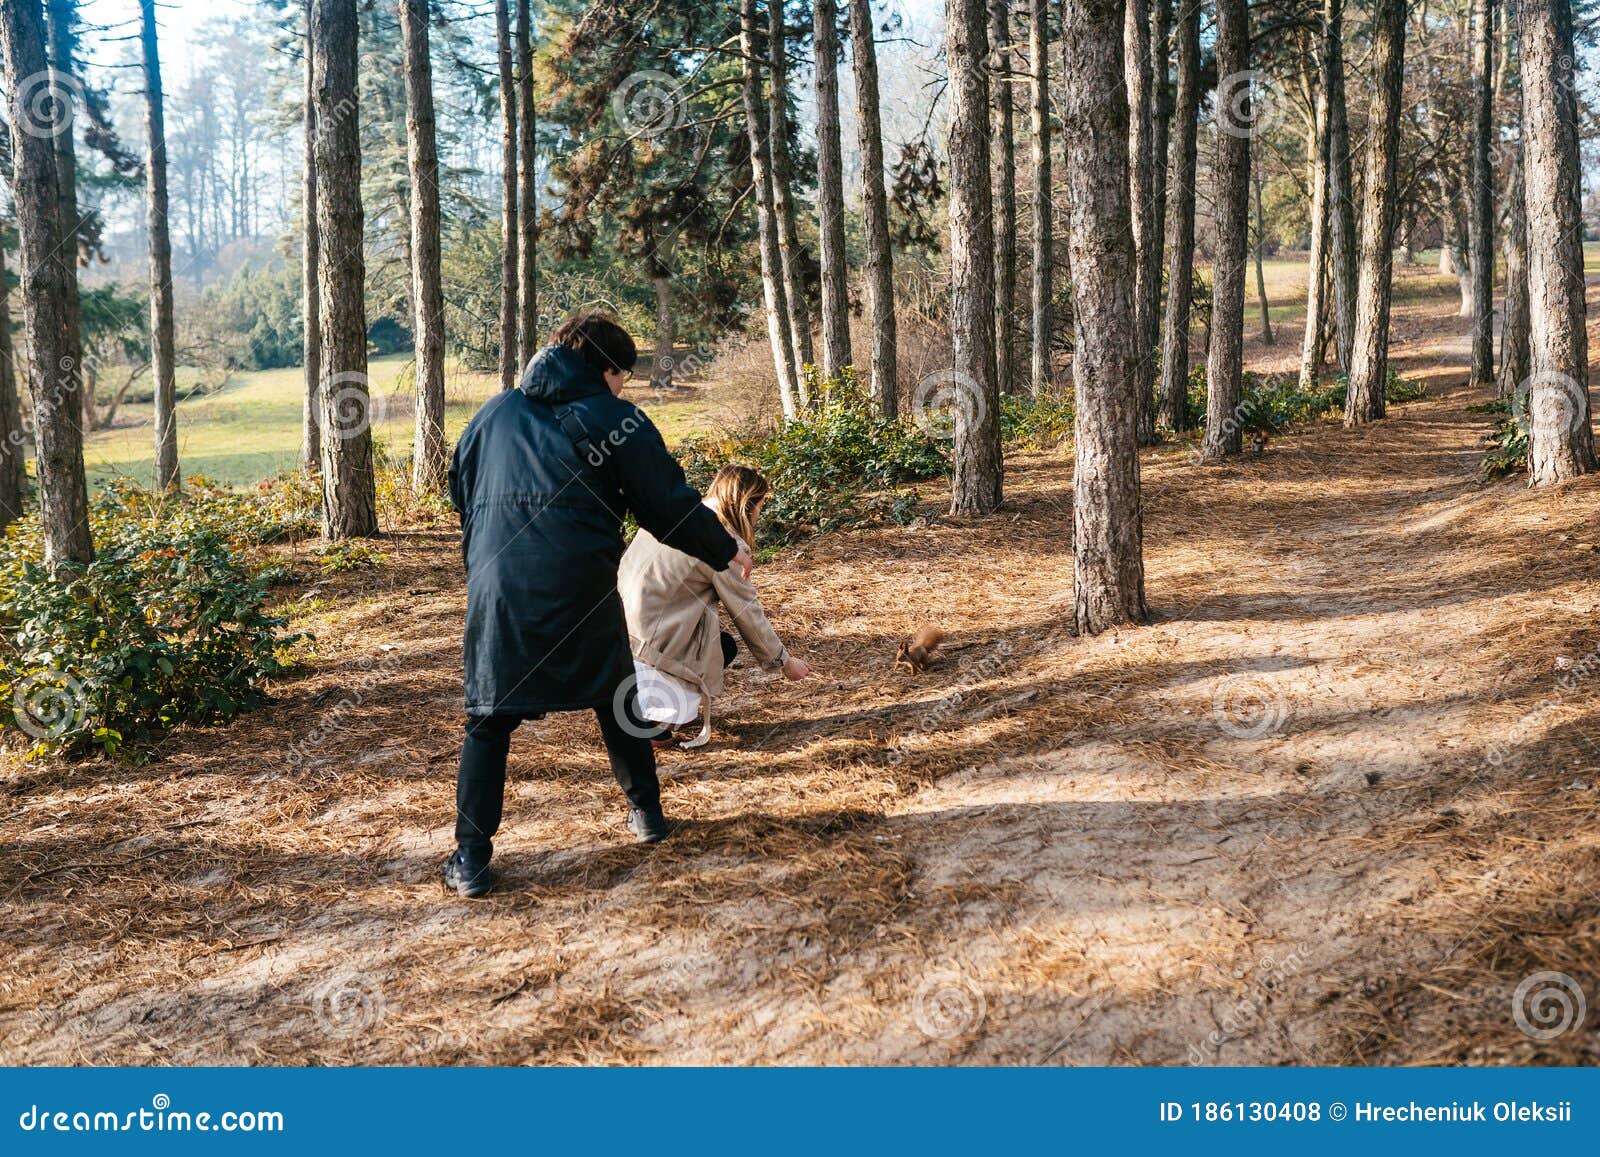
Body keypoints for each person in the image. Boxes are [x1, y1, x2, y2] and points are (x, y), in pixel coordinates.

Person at [443, 312, 752, 899]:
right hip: (581, 584)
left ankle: (471, 860)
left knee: (488, 719)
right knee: (616, 697)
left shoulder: (492, 413)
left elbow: (461, 490)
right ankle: (647, 817)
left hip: (497, 590)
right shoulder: (616, 420)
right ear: (606, 369)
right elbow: (667, 506)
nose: (624, 389)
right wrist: (723, 546)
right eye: (623, 377)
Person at [619, 465, 811, 748]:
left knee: (721, 643)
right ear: (747, 505)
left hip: (620, 629)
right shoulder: (721, 542)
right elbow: (746, 610)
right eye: (760, 505)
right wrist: (784, 662)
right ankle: (654, 717)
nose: (760, 514)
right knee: (719, 647)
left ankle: (654, 707)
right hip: (652, 643)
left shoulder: (677, 512)